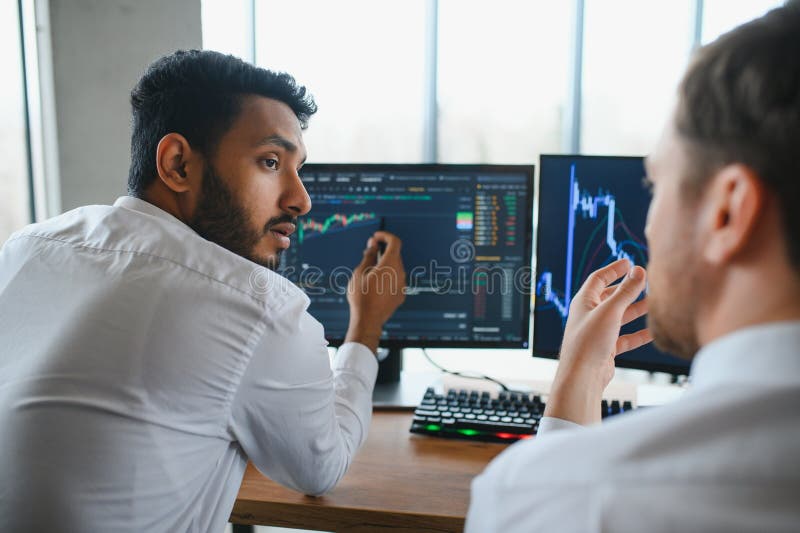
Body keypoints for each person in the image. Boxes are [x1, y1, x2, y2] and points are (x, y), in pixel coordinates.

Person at [0, 50, 405, 532]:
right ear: (177, 164)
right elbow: (319, 469)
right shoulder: (253, 305)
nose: (301, 199)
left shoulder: (27, 248)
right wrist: (367, 326)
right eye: (271, 161)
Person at [466, 2, 800, 532]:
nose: (646, 227)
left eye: (656, 184)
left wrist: (565, 402)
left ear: (728, 211)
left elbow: (554, 498)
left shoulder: (545, 499)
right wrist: (583, 378)